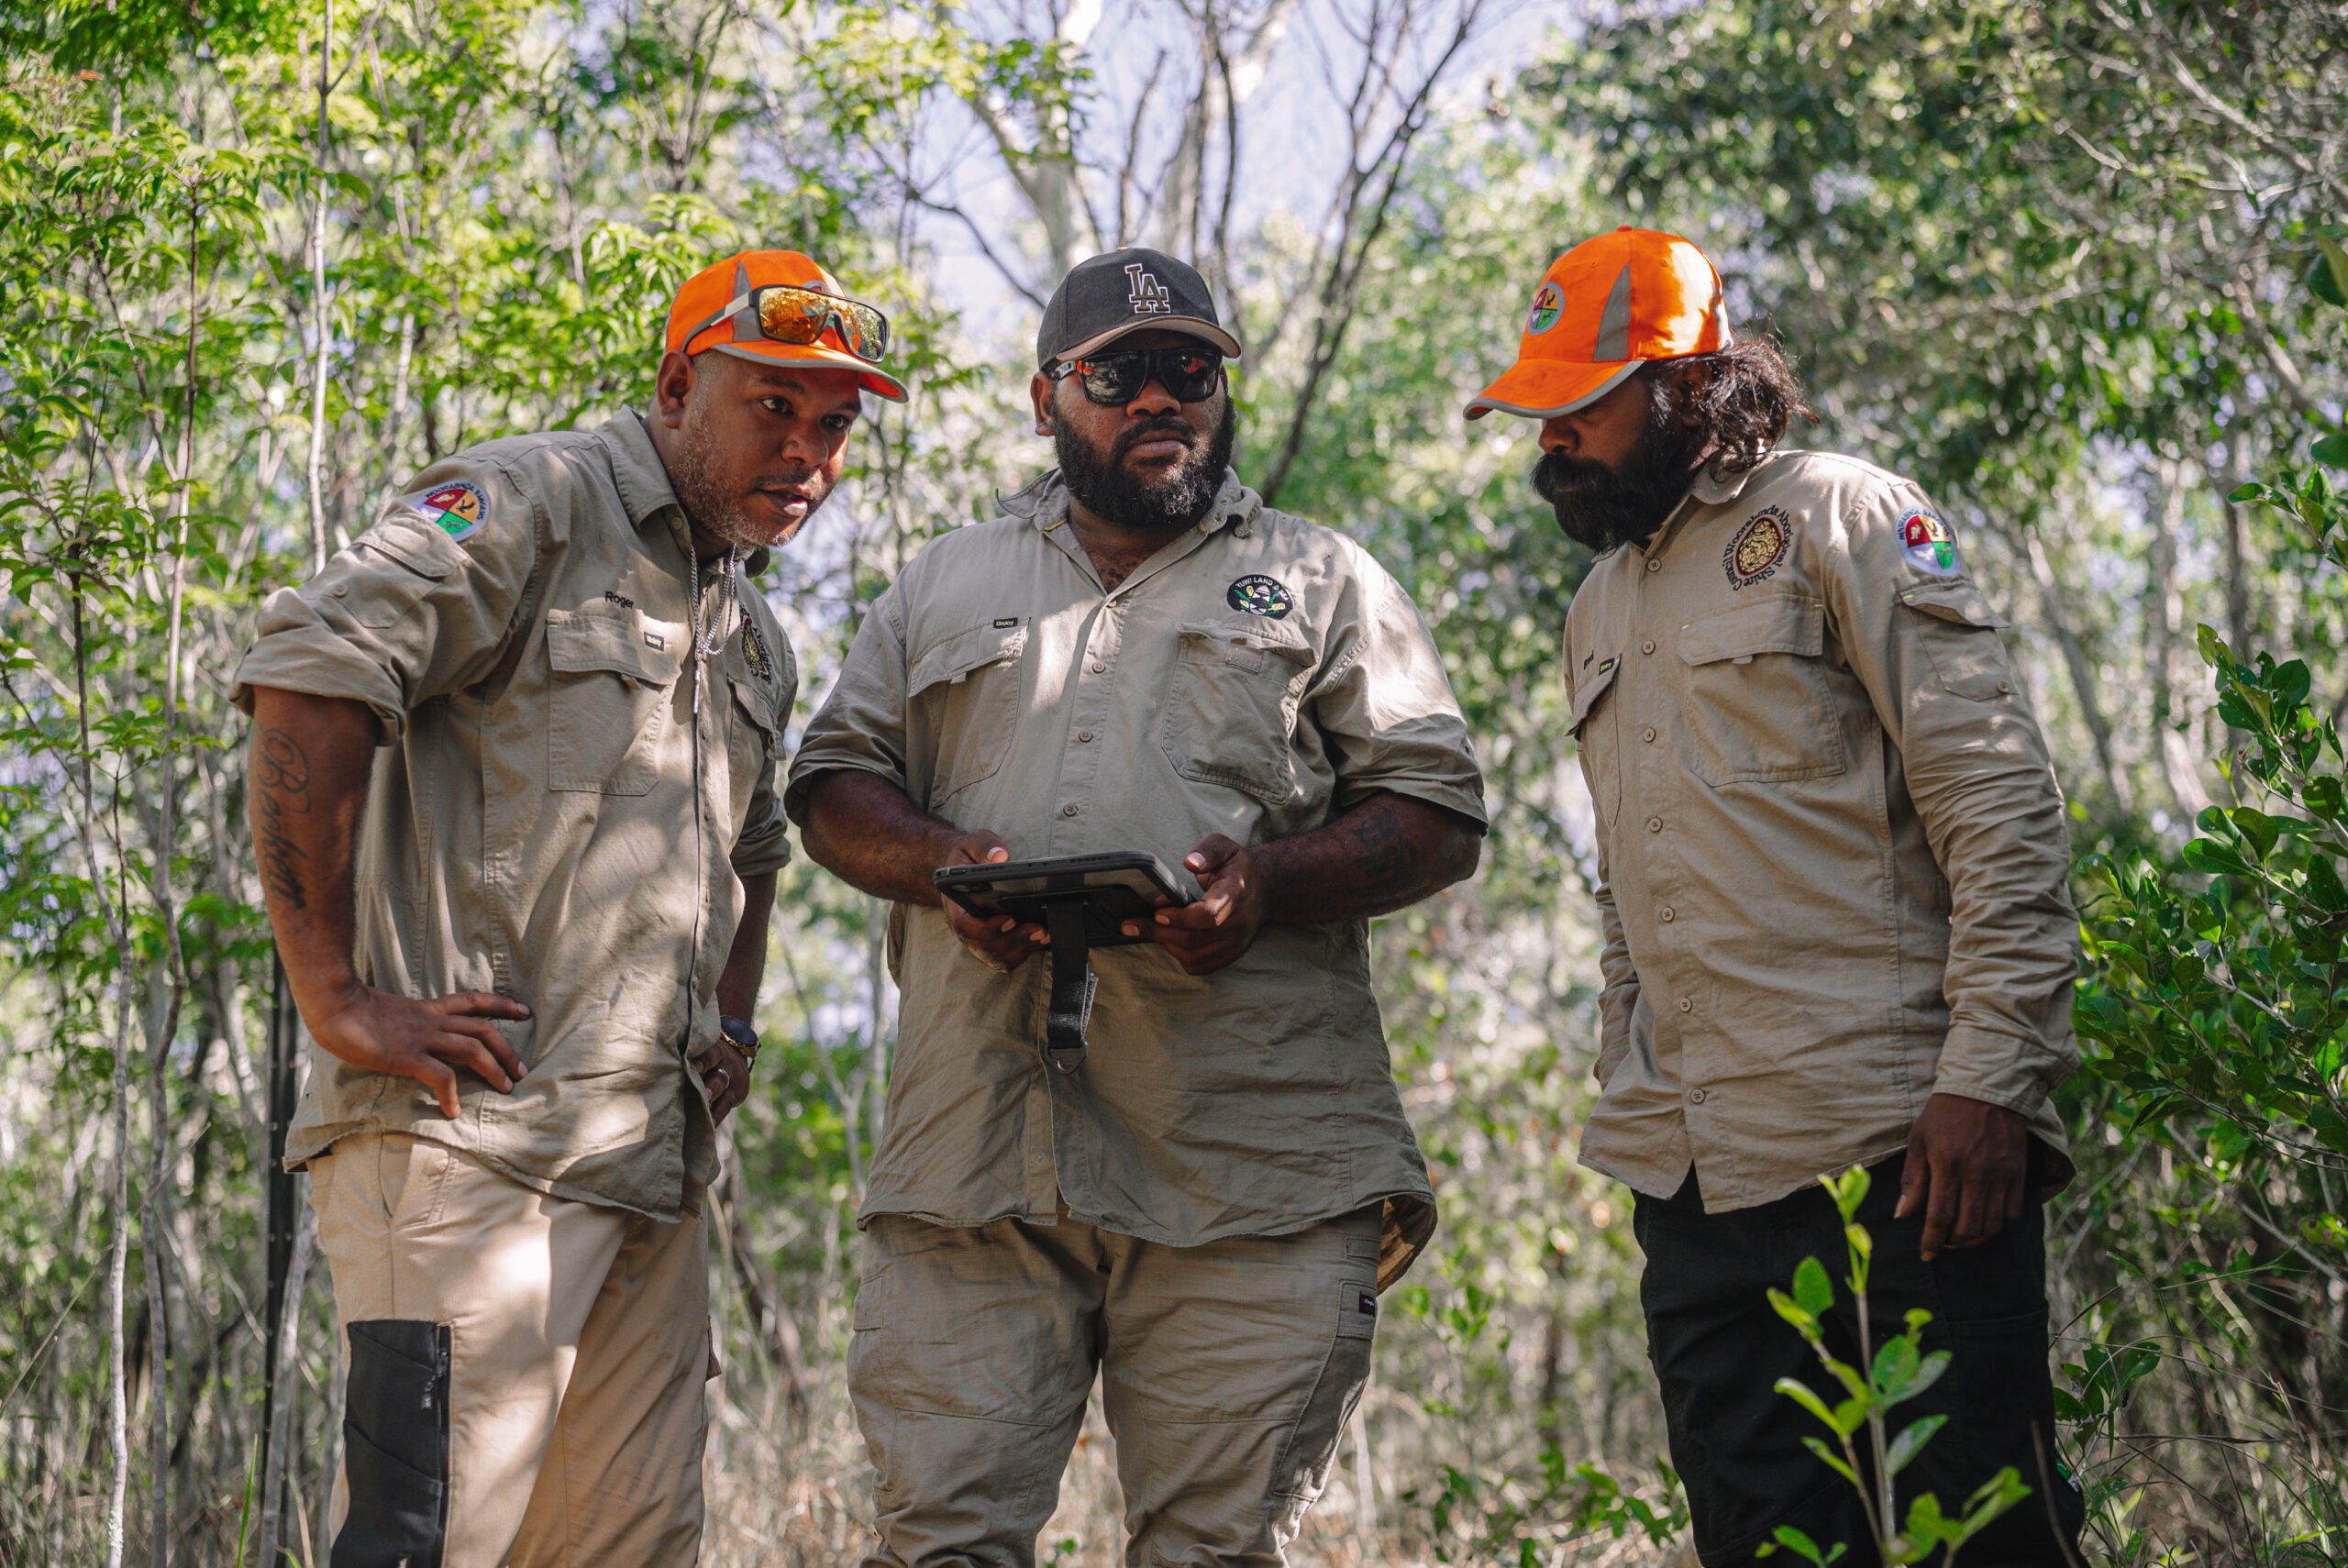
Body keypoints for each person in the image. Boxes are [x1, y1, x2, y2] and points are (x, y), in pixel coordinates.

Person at [788, 247, 1488, 1567]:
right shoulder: (944, 579)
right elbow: (830, 786)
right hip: (978, 1159)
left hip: (1253, 1162)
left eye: (1192, 370)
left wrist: (1267, 883)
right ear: (1047, 394)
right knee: (938, 1539)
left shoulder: (1324, 579)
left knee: (1214, 1548)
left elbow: (1438, 810)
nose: (1162, 397)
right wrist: (943, 863)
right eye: (1121, 373)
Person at [233, 248, 905, 1565]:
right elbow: (311, 674)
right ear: (675, 386)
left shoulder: (752, 629)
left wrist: (734, 1023)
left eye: (834, 424)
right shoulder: (529, 501)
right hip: (466, 1154)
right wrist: (338, 998)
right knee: (425, 1546)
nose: (808, 453)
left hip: (645, 1179)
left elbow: (757, 846)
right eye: (772, 405)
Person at [1464, 226, 2088, 1565]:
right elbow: (1631, 903)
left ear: (1688, 381)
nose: (1553, 436)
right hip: (1695, 1197)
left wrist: (1992, 1079)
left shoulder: (1840, 517)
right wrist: (1626, 1086)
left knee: (1976, 1537)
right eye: (1541, 411)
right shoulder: (1595, 609)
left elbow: (2001, 811)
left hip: (1904, 1162)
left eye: (1584, 402)